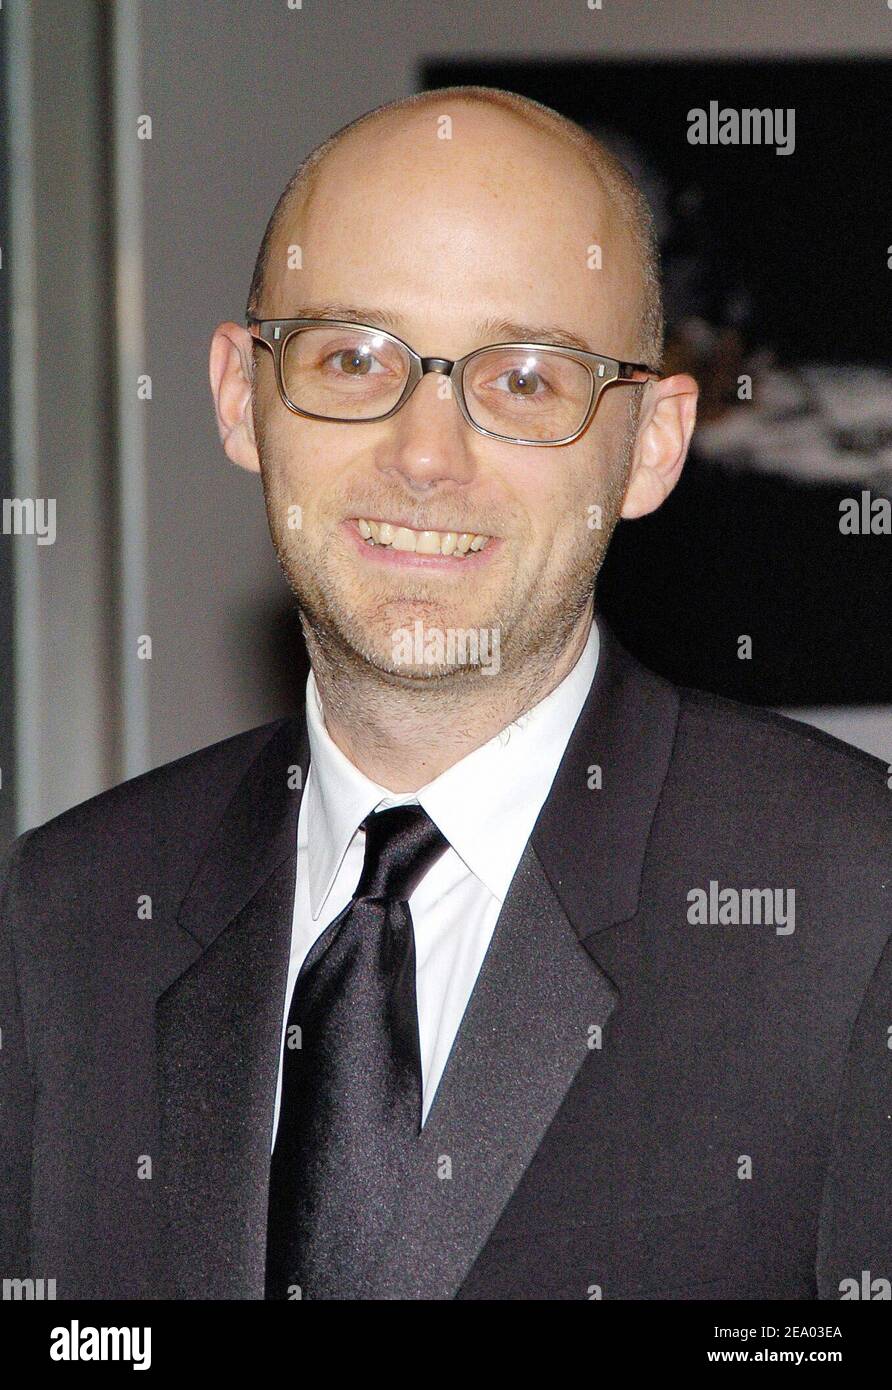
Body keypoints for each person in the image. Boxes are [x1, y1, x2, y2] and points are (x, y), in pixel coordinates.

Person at [1, 86, 889, 1301]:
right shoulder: (58, 921)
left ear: (652, 444)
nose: (424, 456)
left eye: (525, 377)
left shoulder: (852, 907)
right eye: (352, 356)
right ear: (235, 395)